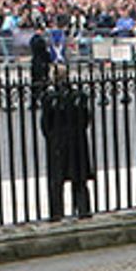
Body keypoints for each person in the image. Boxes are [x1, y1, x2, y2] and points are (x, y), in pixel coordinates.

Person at [39, 65, 94, 220]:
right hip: (78, 142)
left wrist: (52, 137)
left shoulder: (49, 98)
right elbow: (86, 119)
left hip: (58, 143)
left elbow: (45, 124)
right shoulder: (79, 95)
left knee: (57, 181)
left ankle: (56, 213)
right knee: (79, 179)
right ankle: (83, 210)